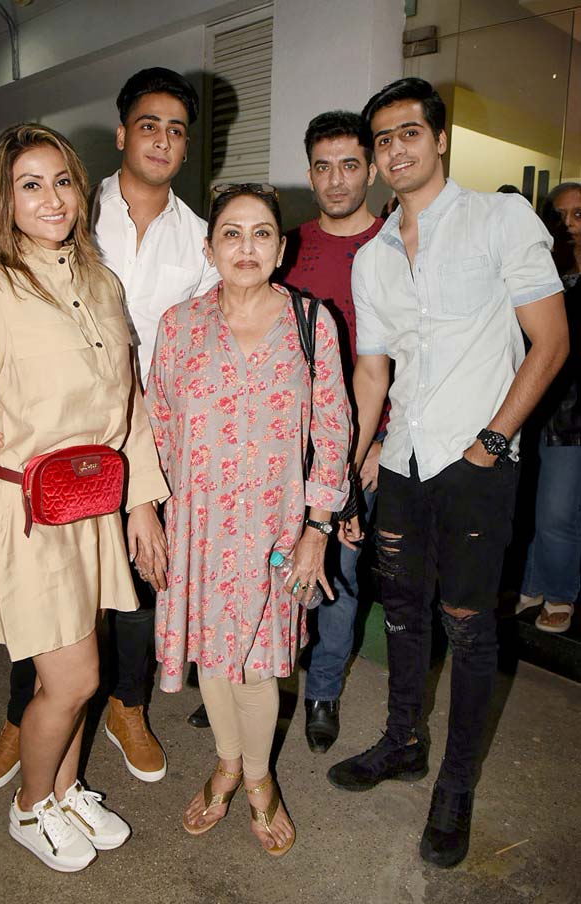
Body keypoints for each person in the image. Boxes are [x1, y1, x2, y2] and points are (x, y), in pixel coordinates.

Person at [327, 77, 568, 869]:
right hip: (401, 460)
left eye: (408, 134)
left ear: (438, 139)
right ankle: (403, 741)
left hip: (476, 463)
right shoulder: (374, 257)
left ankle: (455, 786)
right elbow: (372, 372)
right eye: (382, 141)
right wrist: (359, 455)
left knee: (467, 628)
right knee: (401, 613)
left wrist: (494, 441)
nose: (395, 151)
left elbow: (550, 341)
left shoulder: (500, 220)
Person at [0, 67, 220, 796]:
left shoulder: (198, 242)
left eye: (177, 129)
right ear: (121, 134)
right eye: (149, 124)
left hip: (138, 439)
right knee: (47, 601)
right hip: (46, 448)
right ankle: (25, 718)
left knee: (137, 585)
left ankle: (128, 706)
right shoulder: (71, 208)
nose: (163, 139)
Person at [0, 123, 169, 872]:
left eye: (63, 180)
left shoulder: (101, 281)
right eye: (30, 184)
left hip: (94, 505)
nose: (51, 198)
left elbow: (128, 401)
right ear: (4, 198)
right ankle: (31, 807)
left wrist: (140, 503)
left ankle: (65, 790)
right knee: (77, 679)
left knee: (66, 669)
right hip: (24, 514)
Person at [146, 183, 351, 855]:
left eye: (262, 233)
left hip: (274, 529)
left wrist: (317, 528)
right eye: (231, 233)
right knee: (213, 651)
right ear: (210, 248)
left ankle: (258, 779)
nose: (246, 246)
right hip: (198, 526)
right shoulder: (179, 327)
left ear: (282, 247)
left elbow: (333, 430)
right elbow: (157, 425)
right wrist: (146, 514)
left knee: (259, 666)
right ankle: (227, 763)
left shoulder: (310, 322)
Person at [280, 110, 384, 752]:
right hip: (286, 446)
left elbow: (405, 358)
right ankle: (253, 674)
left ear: (370, 169)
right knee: (269, 565)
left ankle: (321, 689)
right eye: (323, 166)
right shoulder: (287, 245)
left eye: (350, 164)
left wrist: (369, 446)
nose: (337, 180)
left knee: (338, 577)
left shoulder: (397, 243)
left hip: (361, 444)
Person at [515, 182, 581, 633]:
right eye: (560, 216)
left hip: (573, 417)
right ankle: (533, 584)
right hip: (531, 407)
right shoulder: (540, 271)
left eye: (578, 214)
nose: (570, 225)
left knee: (558, 512)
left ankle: (560, 593)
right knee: (531, 508)